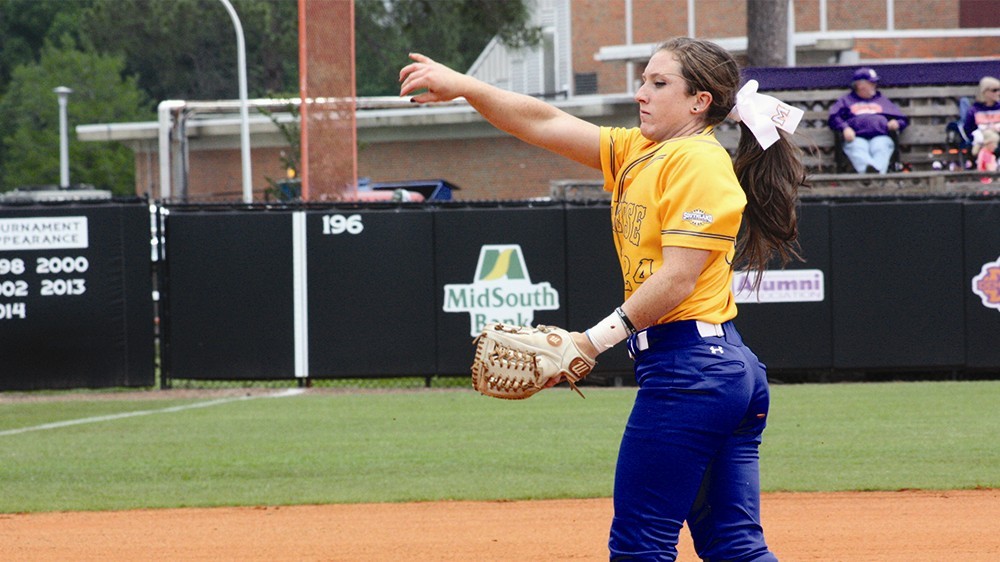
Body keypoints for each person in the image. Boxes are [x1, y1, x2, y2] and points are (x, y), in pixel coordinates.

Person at [401, 36, 806, 561]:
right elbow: (542, 123)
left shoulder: (698, 162)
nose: (642, 93)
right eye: (643, 80)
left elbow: (680, 278)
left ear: (698, 102)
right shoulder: (643, 149)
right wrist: (464, 87)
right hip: (716, 369)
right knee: (733, 545)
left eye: (659, 83)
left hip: (692, 374)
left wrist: (590, 343)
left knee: (640, 546)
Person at [828, 67, 908, 174]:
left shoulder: (881, 99)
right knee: (857, 148)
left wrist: (897, 123)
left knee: (881, 147)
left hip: (880, 136)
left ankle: (872, 174)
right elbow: (834, 117)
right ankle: (875, 174)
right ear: (859, 85)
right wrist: (845, 128)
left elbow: (902, 119)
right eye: (871, 83)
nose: (874, 86)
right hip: (856, 137)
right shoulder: (846, 100)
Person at [962, 75, 1000, 143]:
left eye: (999, 90)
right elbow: (969, 130)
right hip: (982, 142)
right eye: (994, 90)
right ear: (984, 92)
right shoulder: (974, 110)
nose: (998, 93)